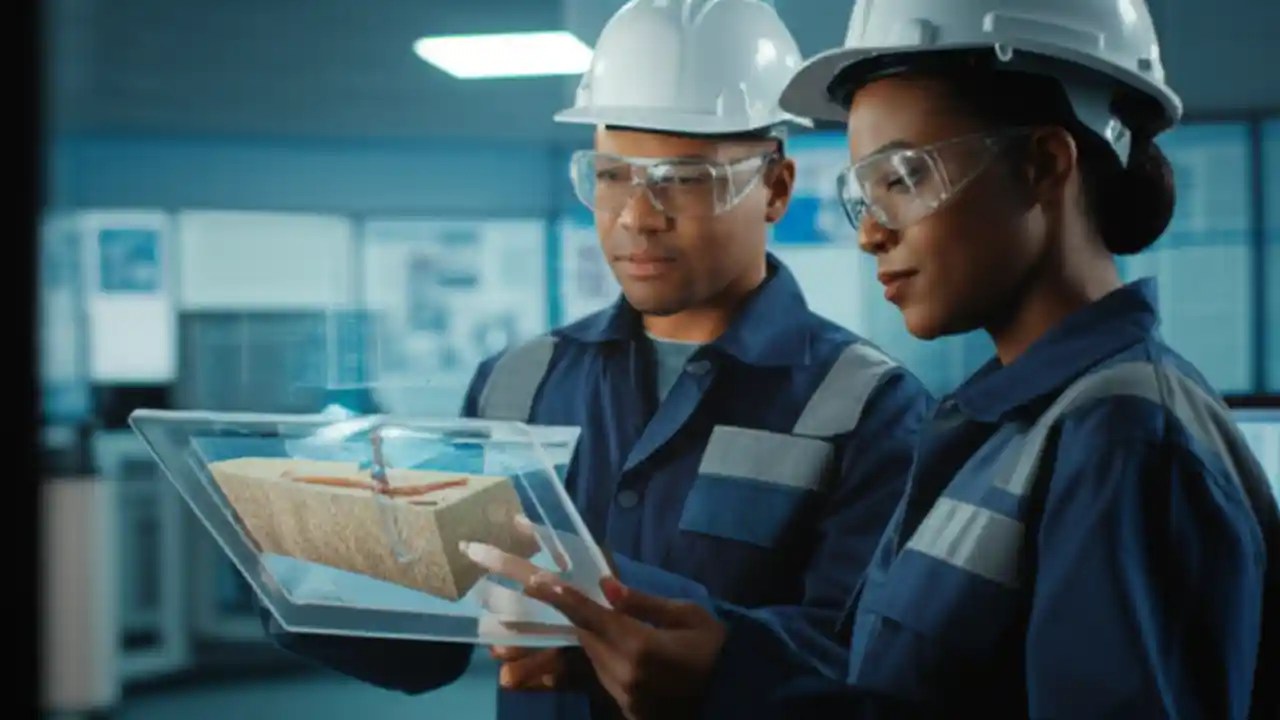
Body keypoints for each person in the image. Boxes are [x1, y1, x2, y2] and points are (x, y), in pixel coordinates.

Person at [480, 0, 1280, 717]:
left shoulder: (1126, 442)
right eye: (865, 192)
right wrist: (731, 669)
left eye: (906, 176)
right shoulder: (998, 432)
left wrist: (729, 688)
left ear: (1042, 164)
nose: (870, 232)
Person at [259, 2, 934, 719]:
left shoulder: (871, 409)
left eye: (683, 177)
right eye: (612, 174)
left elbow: (869, 672)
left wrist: (626, 633)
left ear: (774, 188)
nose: (637, 215)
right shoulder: (516, 382)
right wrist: (307, 575)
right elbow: (431, 645)